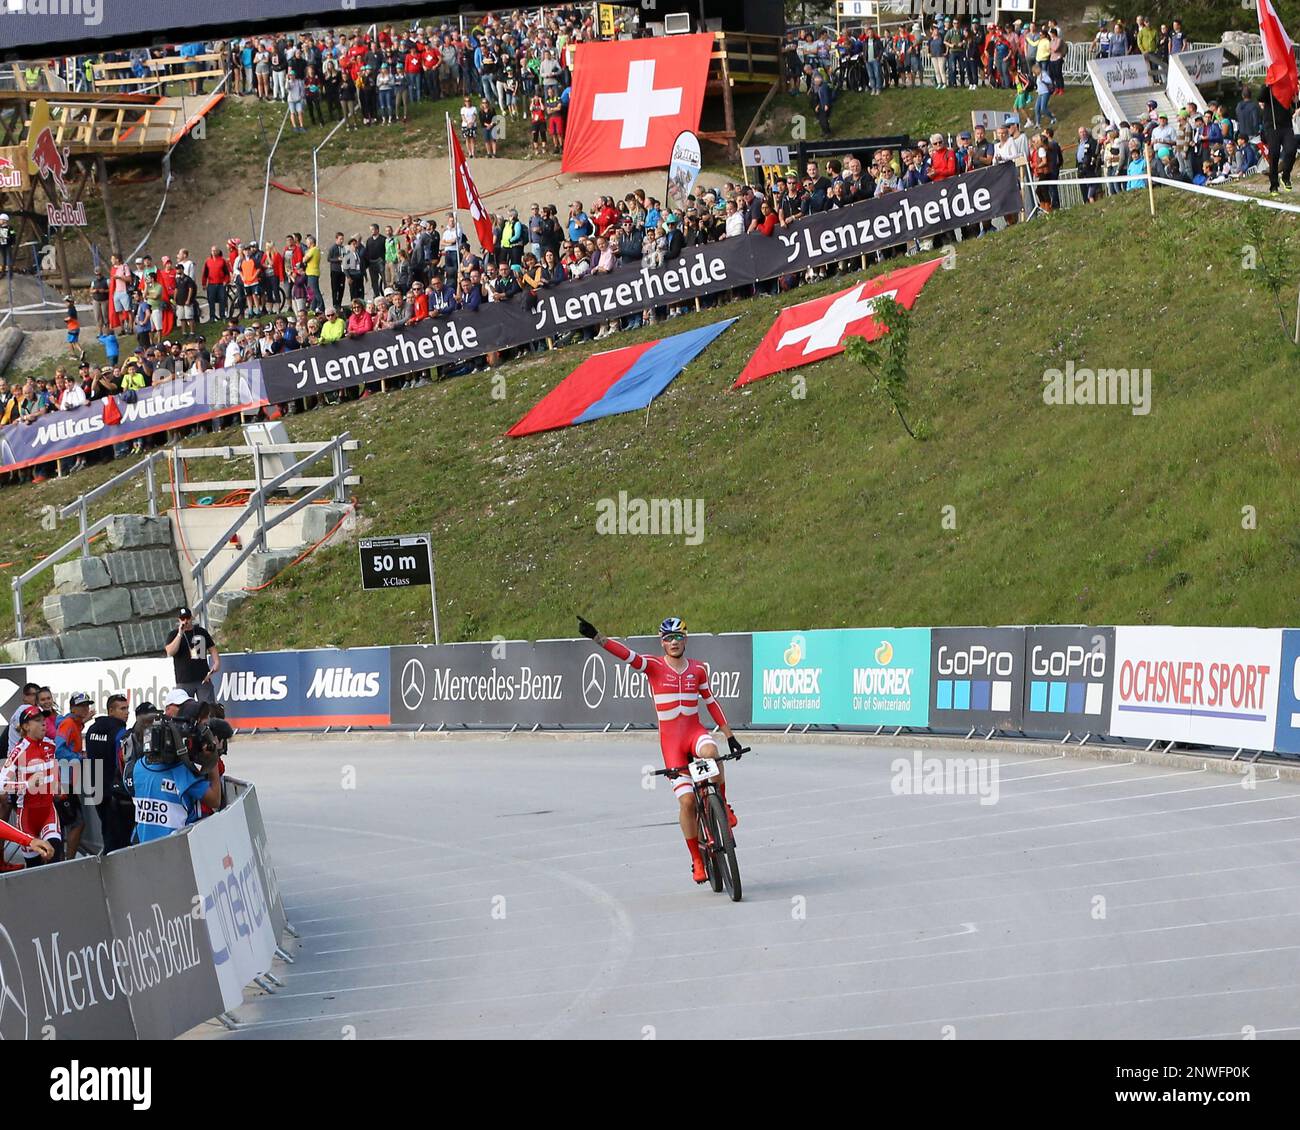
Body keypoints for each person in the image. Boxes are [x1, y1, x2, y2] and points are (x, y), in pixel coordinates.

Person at [577, 615, 744, 885]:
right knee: (688, 802)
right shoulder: (653, 666)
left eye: (678, 636)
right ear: (661, 642)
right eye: (668, 638)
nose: (673, 642)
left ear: (686, 639)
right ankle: (698, 860)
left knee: (713, 753)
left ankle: (722, 806)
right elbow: (627, 655)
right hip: (672, 744)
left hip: (694, 733)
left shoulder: (698, 669)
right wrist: (598, 638)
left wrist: (730, 736)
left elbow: (711, 702)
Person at [0, 706, 63, 866]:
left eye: (44, 720)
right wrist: (27, 784)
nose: (43, 724)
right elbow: (2, 785)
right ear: (26, 726)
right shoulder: (18, 751)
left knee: (55, 857)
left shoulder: (51, 745)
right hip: (27, 816)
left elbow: (53, 768)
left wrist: (56, 785)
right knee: (34, 868)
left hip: (48, 811)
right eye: (38, 720)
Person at [84, 692, 133, 853]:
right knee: (121, 840)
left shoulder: (91, 729)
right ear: (111, 711)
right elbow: (121, 762)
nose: (126, 712)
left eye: (127, 708)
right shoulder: (119, 732)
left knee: (107, 832)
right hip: (114, 791)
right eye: (122, 708)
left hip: (95, 786)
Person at [163, 606, 220, 702]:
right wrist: (180, 634)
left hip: (202, 678)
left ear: (191, 618)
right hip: (184, 680)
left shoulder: (201, 632)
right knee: (185, 710)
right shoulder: (173, 634)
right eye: (183, 619)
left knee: (208, 709)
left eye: (188, 618)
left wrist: (216, 663)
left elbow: (212, 649)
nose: (186, 621)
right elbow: (170, 652)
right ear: (179, 620)